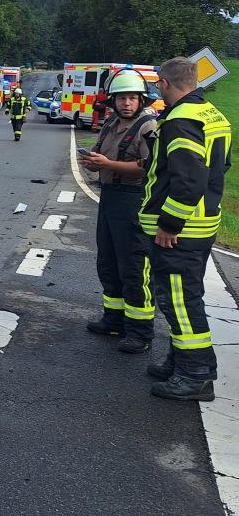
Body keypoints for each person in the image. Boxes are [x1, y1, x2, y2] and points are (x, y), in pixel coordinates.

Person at [141, 57, 231, 401]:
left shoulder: (181, 120)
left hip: (182, 231)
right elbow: (219, 165)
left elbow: (189, 179)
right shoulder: (211, 114)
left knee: (179, 300)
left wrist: (169, 223)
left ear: (165, 83)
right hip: (202, 223)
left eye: (158, 84)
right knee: (183, 297)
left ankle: (195, 375)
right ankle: (180, 361)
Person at [80, 70, 158, 353]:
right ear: (112, 101)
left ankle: (140, 332)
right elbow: (102, 154)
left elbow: (148, 167)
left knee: (133, 266)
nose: (127, 103)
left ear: (141, 100)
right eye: (121, 98)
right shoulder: (111, 123)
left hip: (133, 201)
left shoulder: (148, 127)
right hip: (110, 198)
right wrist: (93, 162)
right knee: (108, 262)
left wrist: (108, 165)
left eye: (132, 98)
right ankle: (114, 319)